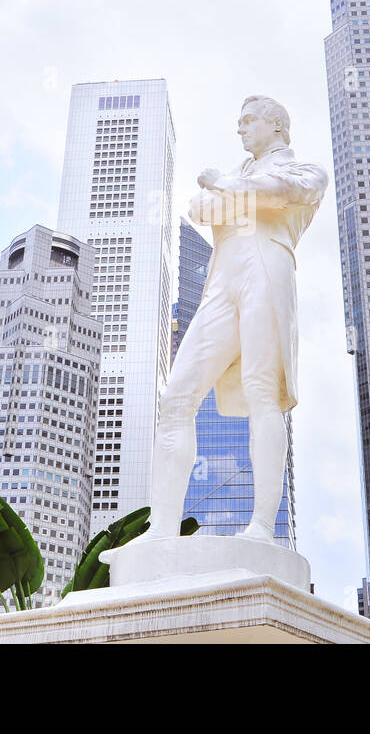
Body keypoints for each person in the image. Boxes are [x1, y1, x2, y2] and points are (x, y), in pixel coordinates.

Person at [141, 95, 327, 543]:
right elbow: (199, 209)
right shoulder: (238, 178)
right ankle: (161, 526)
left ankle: (263, 525)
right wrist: (230, 190)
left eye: (248, 121)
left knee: (264, 392)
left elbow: (283, 192)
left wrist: (226, 187)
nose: (240, 130)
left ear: (277, 125)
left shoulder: (306, 171)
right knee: (177, 396)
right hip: (221, 283)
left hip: (266, 271)